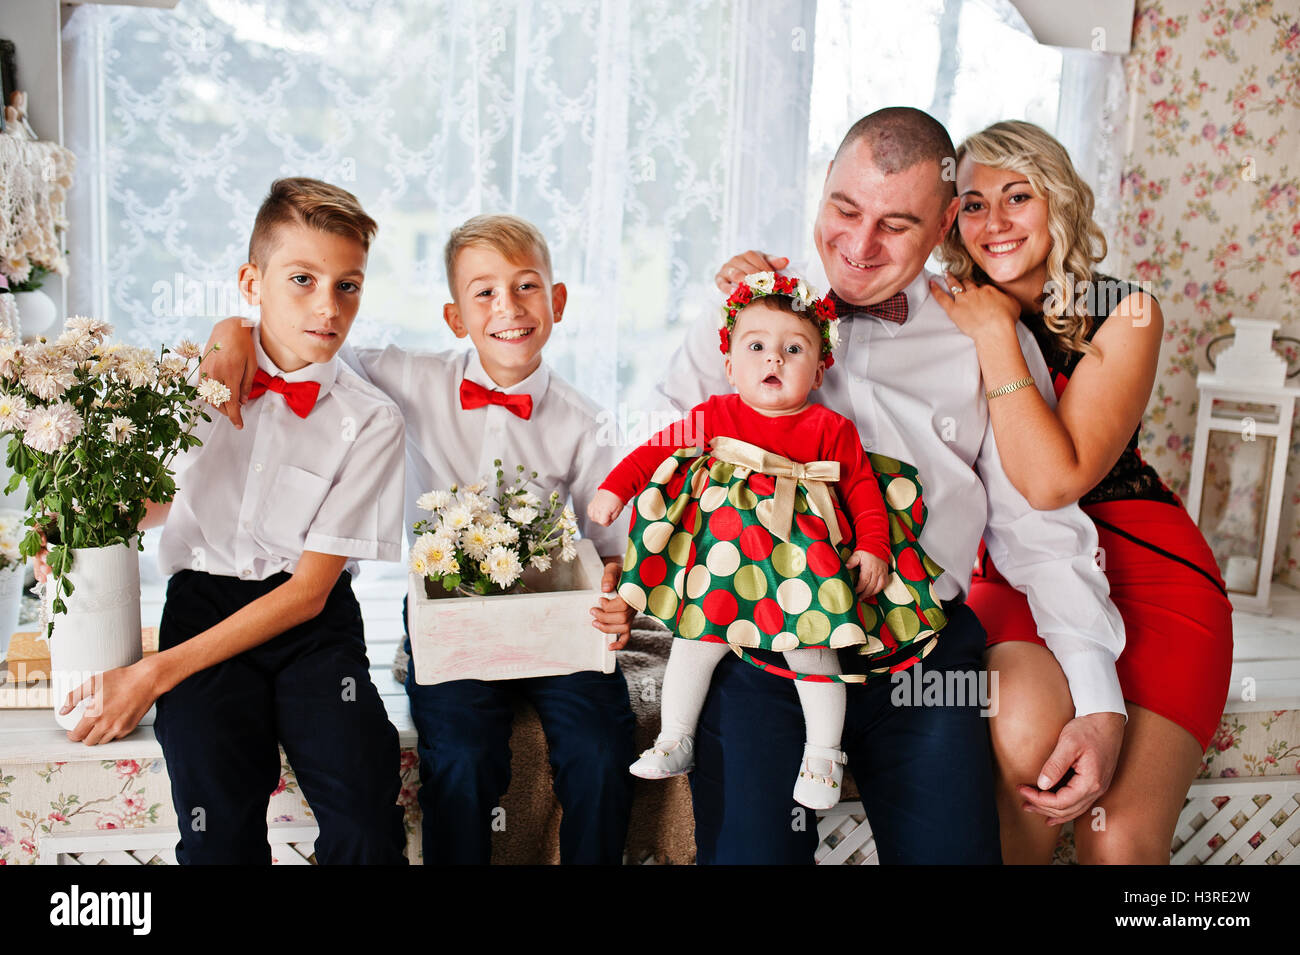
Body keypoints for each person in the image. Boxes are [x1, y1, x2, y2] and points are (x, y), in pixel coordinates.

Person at [663, 106, 1129, 864]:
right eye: (845, 210)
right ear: (822, 190)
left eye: (895, 224)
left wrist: (1101, 701)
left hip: (923, 654)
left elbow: (1038, 531)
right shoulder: (744, 311)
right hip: (762, 649)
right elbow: (663, 463)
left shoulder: (984, 334)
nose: (858, 245)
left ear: (947, 220)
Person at [202, 214, 638, 865]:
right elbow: (310, 339)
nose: (509, 308)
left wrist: (616, 590)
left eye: (526, 287)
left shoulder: (585, 420)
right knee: (461, 755)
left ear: (558, 301)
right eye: (484, 293)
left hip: (552, 616)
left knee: (602, 749)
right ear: (456, 317)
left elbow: (610, 546)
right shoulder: (411, 378)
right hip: (450, 614)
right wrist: (230, 329)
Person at [61, 177, 410, 864]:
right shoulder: (194, 380)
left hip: (311, 621)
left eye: (348, 285)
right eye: (302, 279)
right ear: (252, 281)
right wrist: (75, 533)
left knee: (365, 806)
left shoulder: (371, 420)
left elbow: (309, 592)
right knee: (214, 817)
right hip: (203, 601)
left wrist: (152, 674)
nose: (327, 306)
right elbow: (154, 497)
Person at [930, 119, 1233, 864]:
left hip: (1151, 574)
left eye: (1017, 196)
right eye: (972, 203)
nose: (994, 221)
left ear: (1057, 200)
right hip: (1017, 571)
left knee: (1121, 844)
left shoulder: (1127, 313)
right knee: (1033, 777)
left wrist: (997, 334)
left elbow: (1053, 476)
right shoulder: (938, 310)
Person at [592, 274, 944, 810]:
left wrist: (872, 546)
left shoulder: (830, 428)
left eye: (792, 349)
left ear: (821, 367)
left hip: (802, 567)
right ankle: (676, 738)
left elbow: (864, 493)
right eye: (756, 347)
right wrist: (616, 489)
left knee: (813, 651)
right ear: (730, 365)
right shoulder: (716, 415)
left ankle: (824, 754)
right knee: (695, 643)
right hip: (723, 568)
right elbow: (654, 449)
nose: (773, 360)